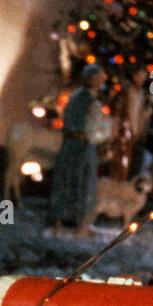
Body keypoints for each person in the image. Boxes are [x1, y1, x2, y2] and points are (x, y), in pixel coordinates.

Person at [48, 63, 107, 235]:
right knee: (85, 183)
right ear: (94, 80)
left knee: (64, 181)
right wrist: (108, 130)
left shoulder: (74, 97)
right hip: (84, 146)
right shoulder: (93, 103)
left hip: (68, 144)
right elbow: (93, 133)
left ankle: (57, 223)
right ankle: (81, 226)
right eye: (100, 77)